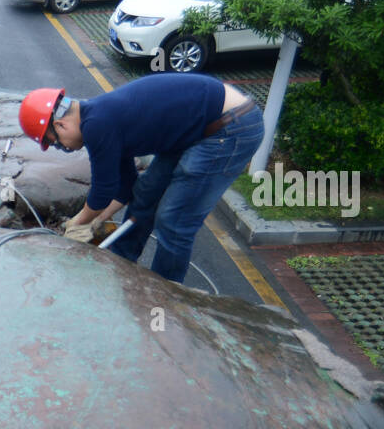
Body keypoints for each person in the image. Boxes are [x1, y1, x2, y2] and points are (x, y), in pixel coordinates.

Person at [18, 74, 264, 283]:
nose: (64, 148)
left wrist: (78, 223)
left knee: (174, 220)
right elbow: (125, 187)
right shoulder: (100, 117)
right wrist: (98, 220)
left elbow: (103, 190)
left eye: (57, 144)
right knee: (146, 194)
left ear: (60, 125)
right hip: (199, 127)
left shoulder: (97, 125)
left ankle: (164, 295)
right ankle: (119, 266)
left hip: (230, 128)